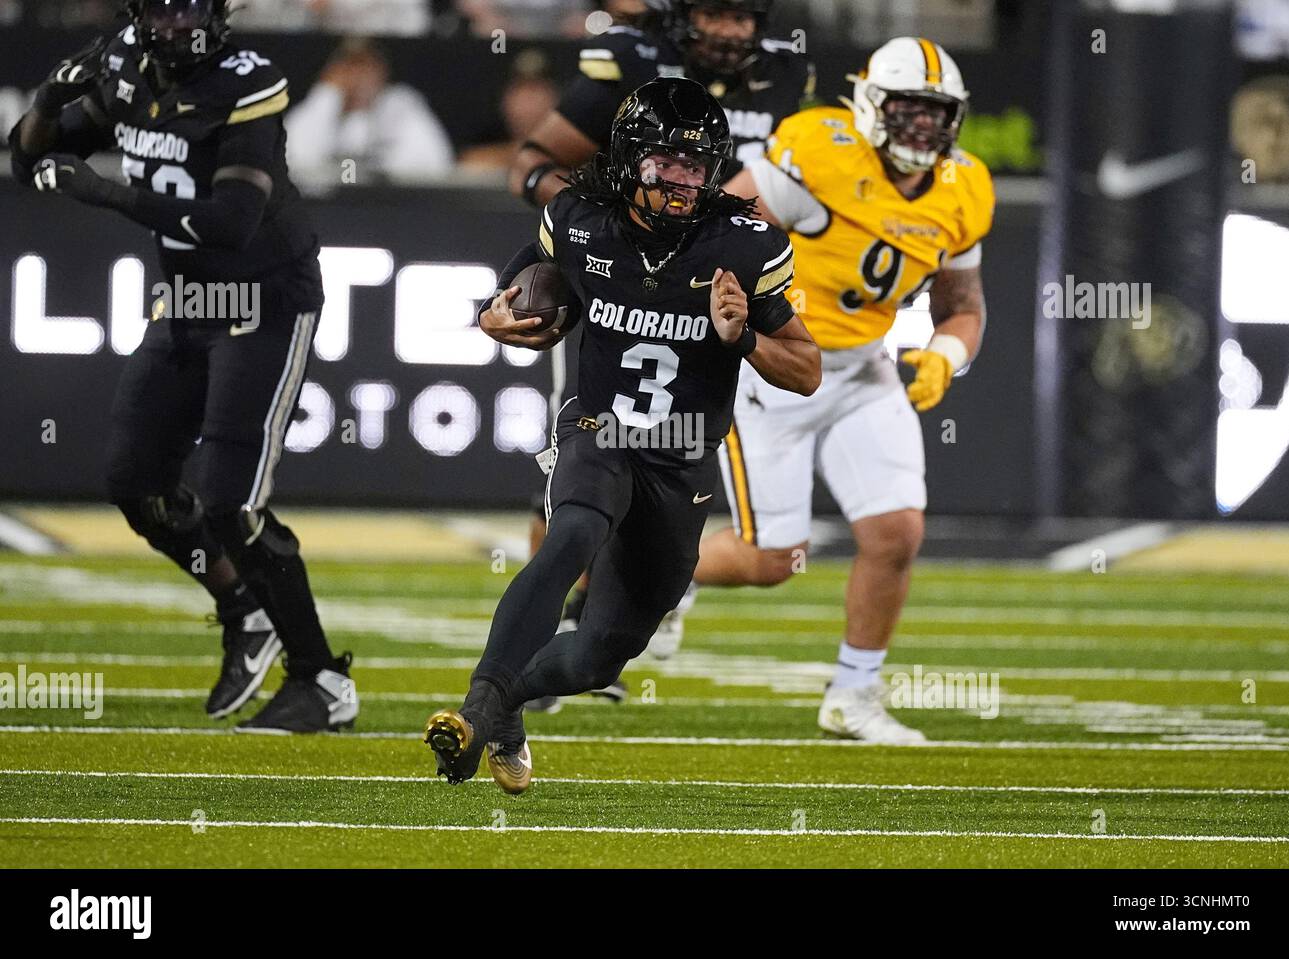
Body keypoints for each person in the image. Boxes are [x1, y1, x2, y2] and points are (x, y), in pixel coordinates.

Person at [425, 77, 820, 792]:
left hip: (682, 456)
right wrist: (494, 315)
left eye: (695, 166)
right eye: (666, 162)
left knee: (598, 656)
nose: (681, 182)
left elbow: (807, 370)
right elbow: (516, 290)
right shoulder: (581, 218)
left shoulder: (744, 244)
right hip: (599, 427)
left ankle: (510, 704)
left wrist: (742, 338)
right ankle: (477, 709)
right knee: (573, 531)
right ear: (632, 157)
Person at [8, 0, 358, 732]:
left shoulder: (246, 81)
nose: (175, 25)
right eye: (162, 10)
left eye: (190, 8)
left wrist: (103, 190)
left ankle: (322, 679)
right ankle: (242, 609)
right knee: (134, 480)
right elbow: (29, 158)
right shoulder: (125, 66)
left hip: (264, 298)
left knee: (231, 503)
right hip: (190, 299)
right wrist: (45, 101)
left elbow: (230, 222)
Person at [673, 37, 995, 742]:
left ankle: (853, 694)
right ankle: (665, 570)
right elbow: (711, 231)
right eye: (909, 110)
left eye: (937, 113)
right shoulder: (821, 151)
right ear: (872, 105)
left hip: (863, 370)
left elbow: (963, 305)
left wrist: (945, 355)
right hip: (779, 368)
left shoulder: (965, 186)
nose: (924, 127)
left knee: (896, 533)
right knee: (771, 561)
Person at [510, 0, 816, 700]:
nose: (732, 31)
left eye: (744, 17)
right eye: (717, 13)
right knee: (576, 468)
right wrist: (606, 227)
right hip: (626, 284)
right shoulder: (632, 60)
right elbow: (533, 162)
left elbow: (794, 180)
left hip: (725, 291)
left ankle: (626, 604)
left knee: (683, 470)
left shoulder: (786, 73)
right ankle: (544, 638)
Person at [284, 36, 455, 189]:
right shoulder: (320, 106)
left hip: (386, 206)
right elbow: (292, 160)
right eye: (350, 68)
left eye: (366, 68)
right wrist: (326, 96)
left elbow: (436, 163)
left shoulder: (400, 105)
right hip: (326, 208)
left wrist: (373, 172)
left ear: (382, 72)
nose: (358, 78)